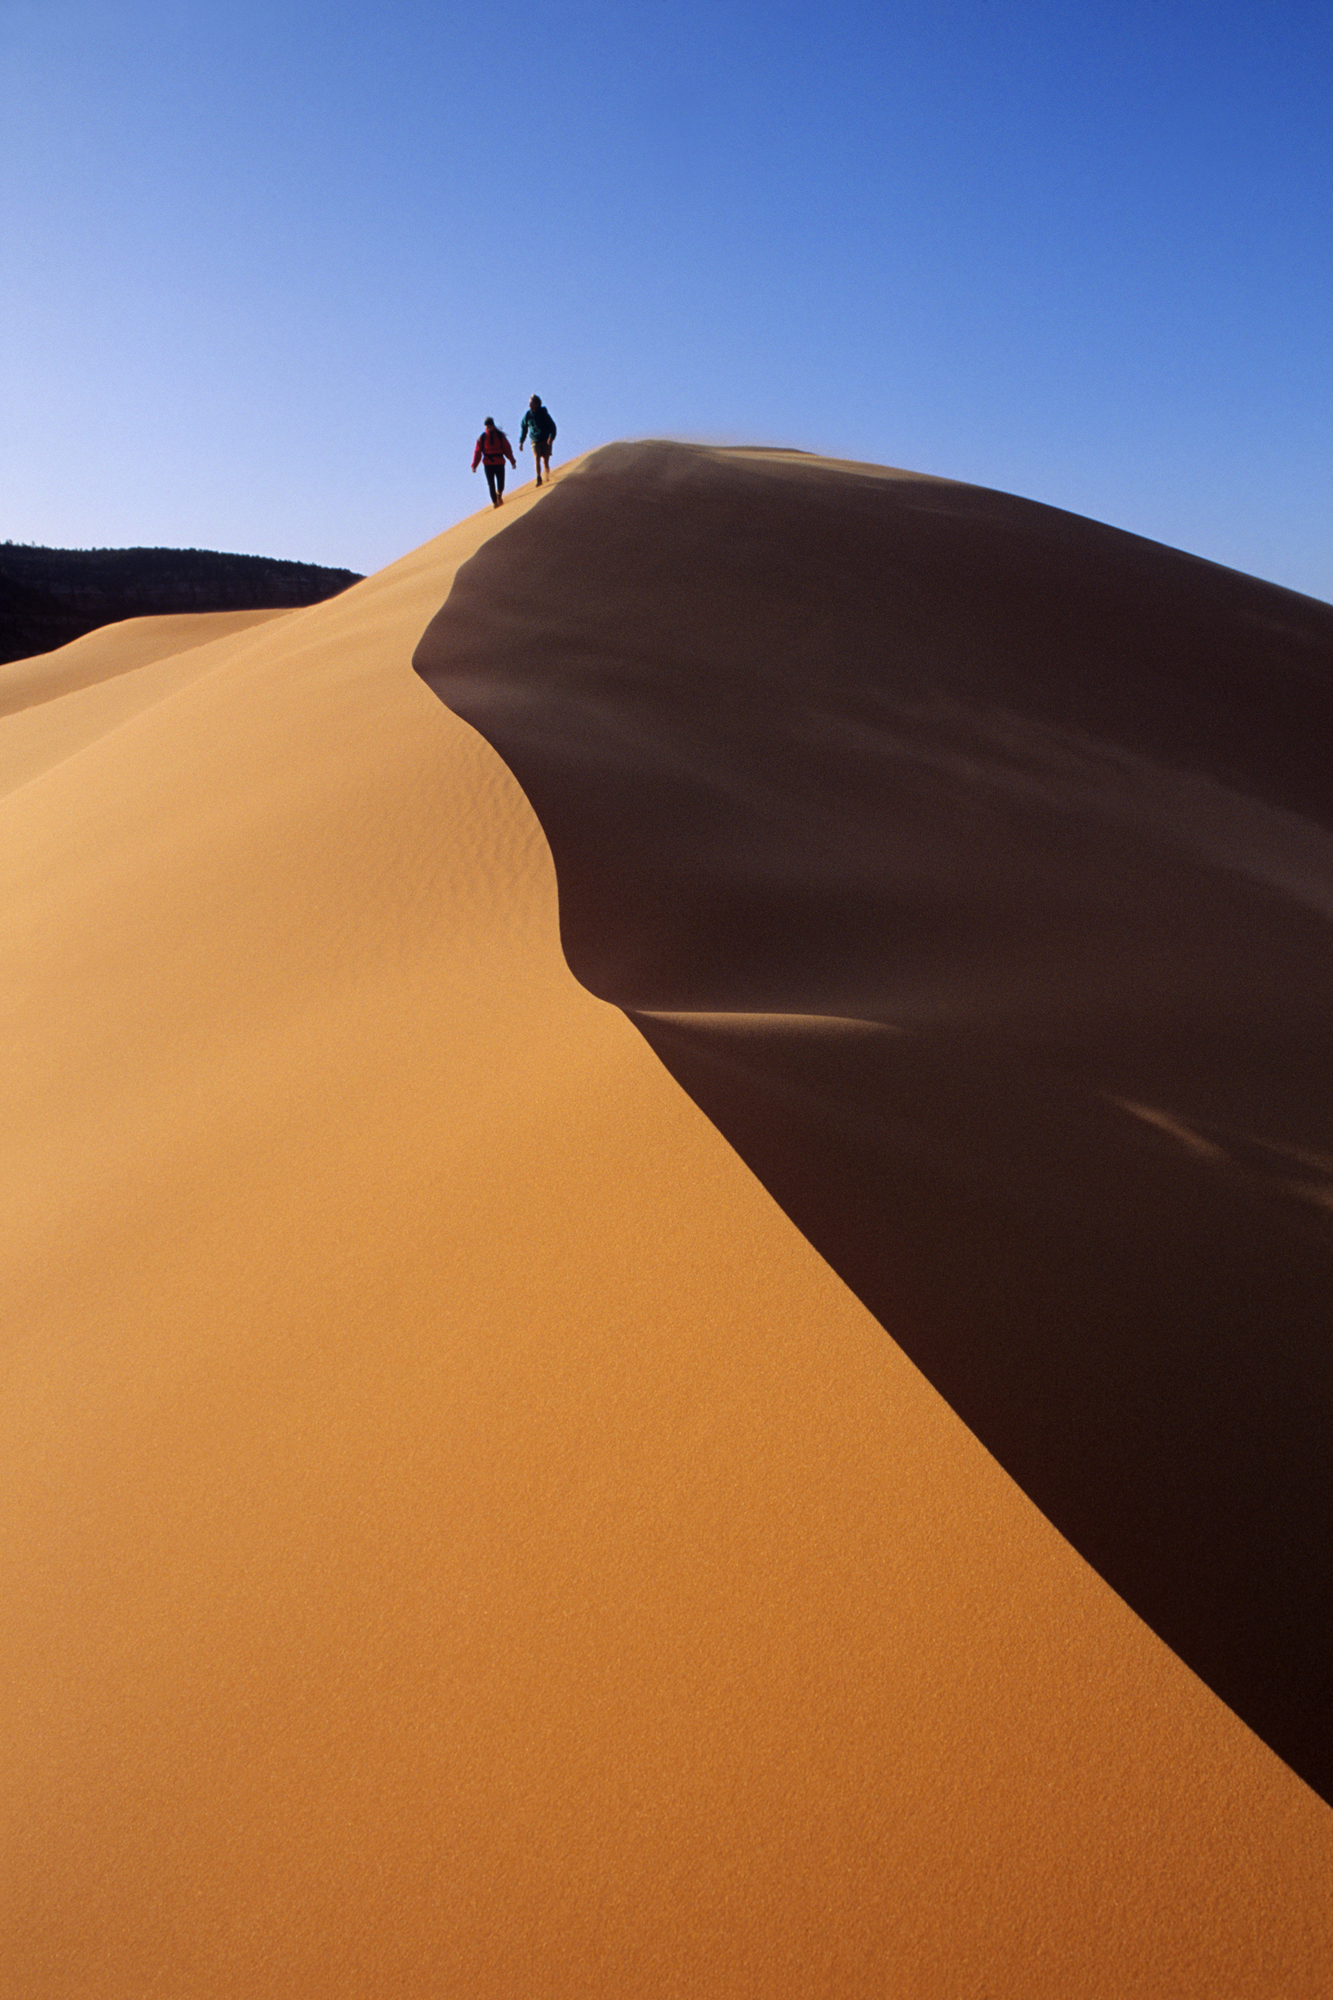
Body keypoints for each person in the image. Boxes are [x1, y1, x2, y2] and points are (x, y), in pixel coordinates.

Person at [472, 418, 516, 507]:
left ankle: (499, 494)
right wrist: (474, 465)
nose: (489, 428)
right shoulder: (482, 438)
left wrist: (512, 461)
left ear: (493, 426)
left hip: (499, 463)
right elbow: (477, 452)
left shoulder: (500, 436)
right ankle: (495, 503)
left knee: (501, 484)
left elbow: (507, 449)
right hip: (488, 464)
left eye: (490, 426)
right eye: (487, 427)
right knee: (490, 484)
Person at [519, 395, 557, 486]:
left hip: (545, 440)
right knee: (537, 458)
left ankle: (547, 475)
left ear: (536, 404)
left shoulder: (543, 414)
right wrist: (521, 441)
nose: (529, 404)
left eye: (531, 403)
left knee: (545, 461)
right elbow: (524, 428)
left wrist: (551, 437)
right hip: (535, 440)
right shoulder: (528, 415)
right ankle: (539, 477)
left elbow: (552, 426)